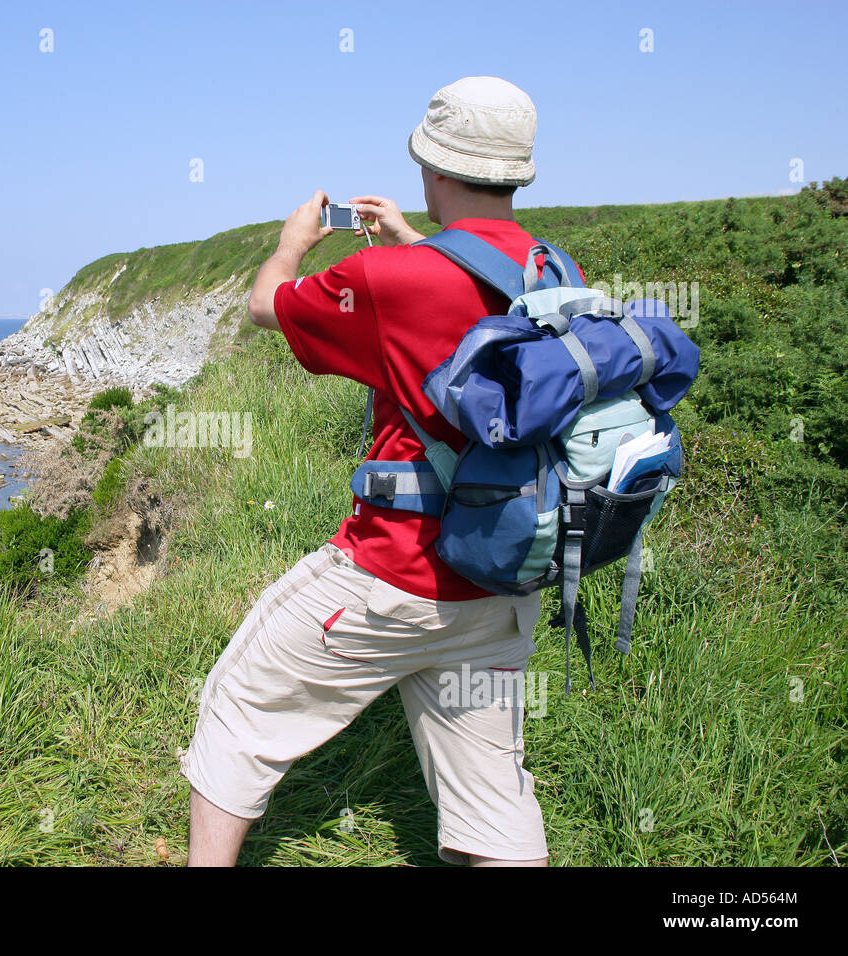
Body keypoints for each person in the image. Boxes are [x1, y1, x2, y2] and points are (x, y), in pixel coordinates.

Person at [180, 76, 573, 867]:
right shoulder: (548, 268)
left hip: (391, 576)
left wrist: (294, 243)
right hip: (505, 575)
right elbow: (460, 309)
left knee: (238, 709)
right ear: (516, 171)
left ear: (431, 167)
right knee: (492, 789)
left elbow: (268, 305)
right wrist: (411, 242)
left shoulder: (387, 281)